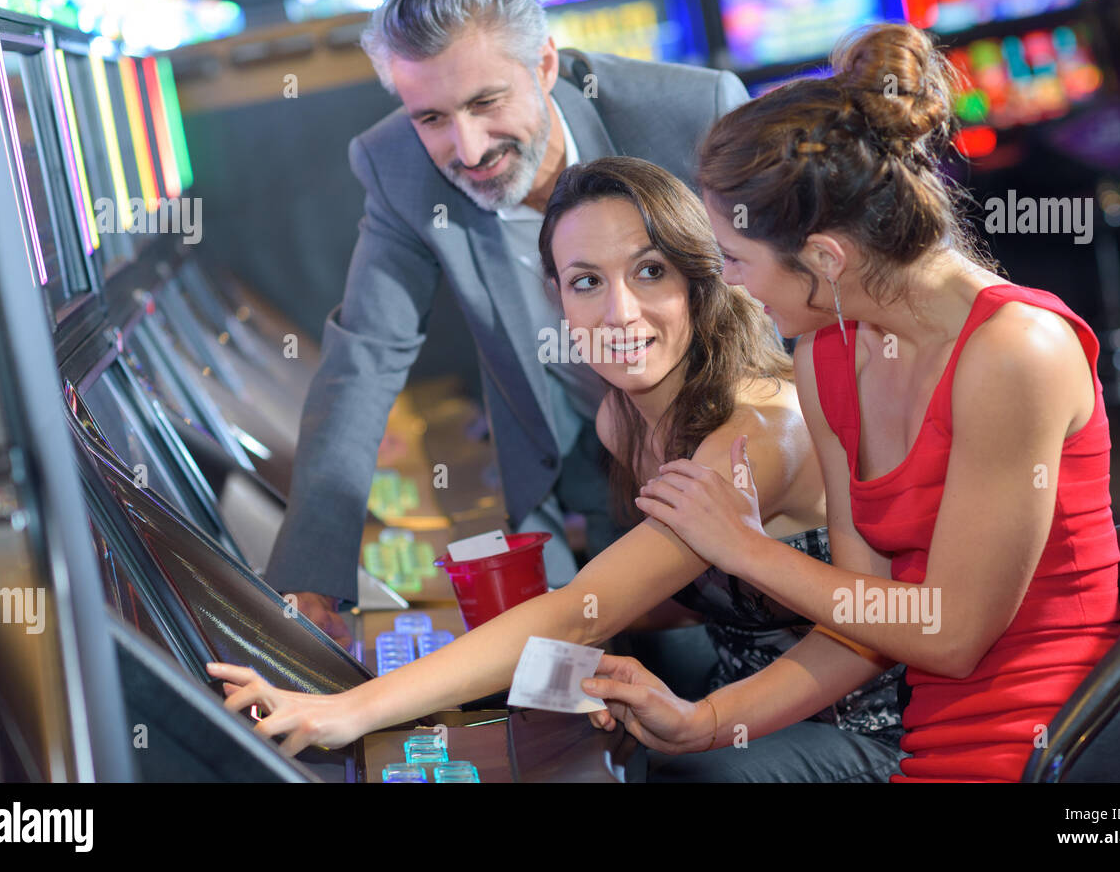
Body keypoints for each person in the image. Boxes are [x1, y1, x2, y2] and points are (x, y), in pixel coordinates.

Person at [211, 157, 904, 782]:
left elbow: (579, 611)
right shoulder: (620, 420)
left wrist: (342, 712)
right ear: (557, 299)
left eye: (650, 271)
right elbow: (673, 596)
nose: (619, 311)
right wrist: (553, 646)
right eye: (586, 283)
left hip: (865, 731)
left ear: (702, 277)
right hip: (746, 697)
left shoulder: (757, 431)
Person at [581, 23, 1120, 783]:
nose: (729, 284)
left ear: (826, 260)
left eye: (737, 259)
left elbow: (951, 632)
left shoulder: (1015, 352)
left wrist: (746, 549)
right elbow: (863, 623)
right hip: (929, 742)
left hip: (1056, 752)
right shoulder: (828, 353)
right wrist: (703, 721)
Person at [265, 0, 751, 647]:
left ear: (546, 65)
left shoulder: (685, 114)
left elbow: (784, 310)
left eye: (486, 102)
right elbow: (363, 360)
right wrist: (310, 577)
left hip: (739, 457)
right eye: (430, 116)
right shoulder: (399, 166)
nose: (466, 148)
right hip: (589, 479)